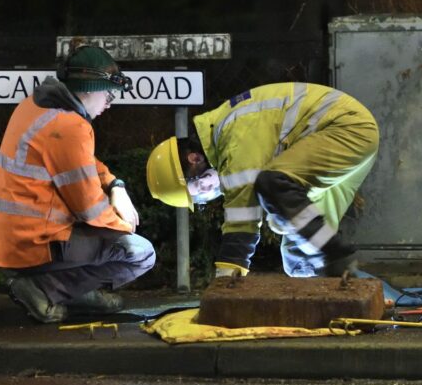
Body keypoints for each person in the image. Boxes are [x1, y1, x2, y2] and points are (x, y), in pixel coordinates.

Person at [0, 45, 155, 323]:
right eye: (108, 95)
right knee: (140, 253)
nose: (109, 104)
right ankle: (46, 291)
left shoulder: (35, 105)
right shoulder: (71, 127)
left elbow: (81, 162)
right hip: (34, 241)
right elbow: (90, 210)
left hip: (7, 237)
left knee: (117, 241)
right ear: (89, 90)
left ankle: (68, 291)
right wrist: (124, 226)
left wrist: (115, 185)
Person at [146, 82, 378, 278]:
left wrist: (226, 283)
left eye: (198, 187)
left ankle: (337, 255)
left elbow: (242, 219)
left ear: (194, 159)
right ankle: (345, 293)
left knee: (272, 184)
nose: (207, 192)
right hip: (346, 134)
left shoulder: (232, 136)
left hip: (345, 127)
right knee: (298, 260)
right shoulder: (225, 131)